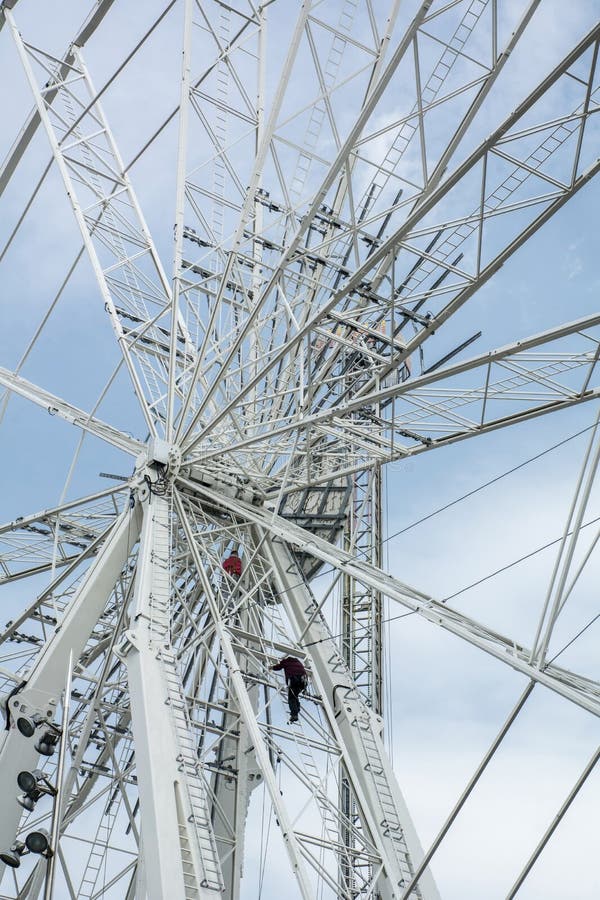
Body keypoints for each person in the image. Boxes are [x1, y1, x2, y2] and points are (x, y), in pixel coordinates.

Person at [270, 656, 308, 723]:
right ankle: (297, 709)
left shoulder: (286, 661)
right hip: (303, 681)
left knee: (291, 698)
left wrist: (271, 667)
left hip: (294, 680)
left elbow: (278, 667)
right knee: (294, 695)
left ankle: (294, 714)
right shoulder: (298, 662)